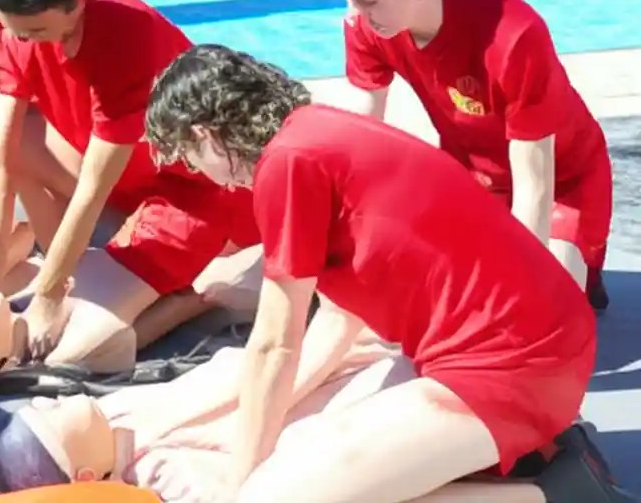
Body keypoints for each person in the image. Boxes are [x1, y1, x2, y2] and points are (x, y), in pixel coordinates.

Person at [140, 44, 601, 502]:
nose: (201, 174)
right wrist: (253, 429)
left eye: (188, 156)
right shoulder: (321, 133)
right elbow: (338, 320)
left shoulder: (288, 163)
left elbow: (275, 343)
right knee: (302, 451)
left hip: (511, 366)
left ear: (207, 135)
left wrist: (242, 479)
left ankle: (553, 494)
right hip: (545, 345)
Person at [0, 0, 261, 359]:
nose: (26, 44)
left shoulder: (125, 40)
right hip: (127, 181)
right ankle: (73, 262)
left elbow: (92, 189)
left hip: (195, 196)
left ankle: (183, 302)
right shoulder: (19, 34)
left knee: (76, 354)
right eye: (16, 32)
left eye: (38, 33)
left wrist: (49, 298)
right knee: (20, 137)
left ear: (76, 5)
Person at [332, 0, 613, 310]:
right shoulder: (368, 25)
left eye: (367, 2)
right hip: (472, 177)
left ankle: (578, 271)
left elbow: (535, 181)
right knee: (409, 286)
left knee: (539, 306)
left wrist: (522, 285)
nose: (353, 14)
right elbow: (362, 131)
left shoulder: (512, 36)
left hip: (563, 184)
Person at [0, 339, 630, 502]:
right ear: (83, 471)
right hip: (371, 425)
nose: (46, 401)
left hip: (361, 376)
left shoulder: (123, 411)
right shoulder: (161, 473)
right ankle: (549, 489)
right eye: (46, 418)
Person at [0, 244, 263, 387]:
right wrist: (210, 296)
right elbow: (177, 309)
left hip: (146, 232)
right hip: (194, 257)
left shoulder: (20, 299)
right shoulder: (70, 353)